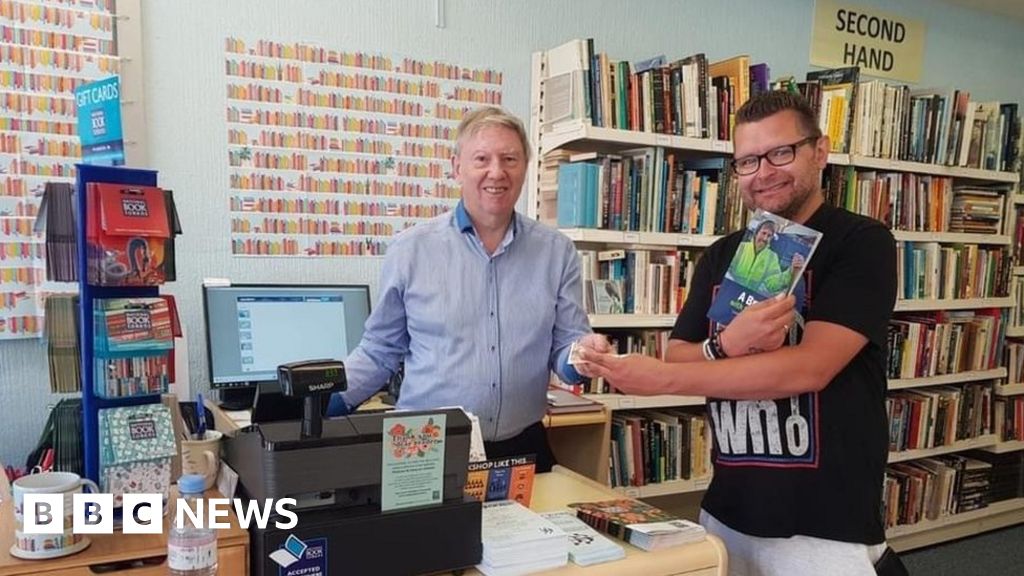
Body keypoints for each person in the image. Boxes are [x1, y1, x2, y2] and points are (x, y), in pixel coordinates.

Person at [578, 91, 898, 575]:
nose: (763, 172)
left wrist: (662, 380)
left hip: (822, 523)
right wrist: (726, 344)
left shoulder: (862, 242)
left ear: (820, 150)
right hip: (728, 509)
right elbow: (681, 352)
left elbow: (809, 369)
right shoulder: (723, 254)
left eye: (781, 153)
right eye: (747, 161)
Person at [325, 106, 609, 473]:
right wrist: (319, 404)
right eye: (482, 159)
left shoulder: (556, 252)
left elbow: (565, 348)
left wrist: (582, 357)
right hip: (424, 447)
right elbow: (380, 352)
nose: (497, 172)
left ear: (525, 167)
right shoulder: (411, 249)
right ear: (457, 167)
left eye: (510, 159)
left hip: (522, 448)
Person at [728, 218, 804, 295]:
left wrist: (791, 271)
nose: (765, 238)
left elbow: (773, 283)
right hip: (731, 293)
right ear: (756, 233)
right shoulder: (740, 247)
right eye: (763, 233)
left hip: (753, 300)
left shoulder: (772, 257)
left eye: (769, 236)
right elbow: (727, 271)